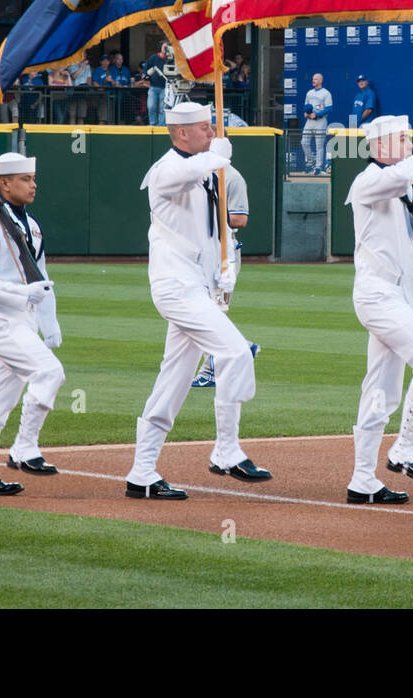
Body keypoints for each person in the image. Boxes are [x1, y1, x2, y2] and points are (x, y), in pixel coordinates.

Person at [126, 102, 271, 499]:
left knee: (172, 381)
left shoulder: (208, 171)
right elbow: (185, 172)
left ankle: (142, 472)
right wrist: (215, 156)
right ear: (182, 134)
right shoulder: (166, 170)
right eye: (205, 128)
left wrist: (224, 269)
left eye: (212, 127)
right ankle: (226, 450)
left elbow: (212, 233)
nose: (213, 133)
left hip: (199, 286)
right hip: (176, 288)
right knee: (236, 354)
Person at [344, 116, 413, 504]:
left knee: (380, 391)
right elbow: (397, 176)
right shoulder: (369, 180)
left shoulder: (405, 188)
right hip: (376, 296)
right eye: (403, 138)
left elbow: (412, 250)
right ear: (381, 144)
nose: (409, 142)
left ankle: (362, 480)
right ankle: (405, 448)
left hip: (399, 299)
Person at [0, 151, 64, 496]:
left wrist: (49, 322)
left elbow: (42, 277)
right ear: (3, 184)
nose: (33, 185)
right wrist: (24, 295)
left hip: (25, 322)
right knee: (50, 373)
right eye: (25, 180)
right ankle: (24, 448)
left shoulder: (30, 226)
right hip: (1, 323)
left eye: (33, 179)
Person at [191, 119, 260, 389]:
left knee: (215, 310)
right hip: (201, 250)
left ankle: (212, 369)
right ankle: (242, 347)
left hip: (224, 252)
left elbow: (240, 219)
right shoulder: (196, 172)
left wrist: (210, 213)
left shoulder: (231, 177)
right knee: (202, 310)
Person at [302, 72, 332, 174]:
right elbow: (306, 106)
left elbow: (329, 108)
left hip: (320, 121)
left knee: (319, 145)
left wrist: (317, 114)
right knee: (304, 142)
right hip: (309, 121)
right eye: (313, 79)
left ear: (320, 80)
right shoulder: (309, 93)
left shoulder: (326, 93)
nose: (313, 80)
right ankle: (311, 161)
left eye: (315, 79)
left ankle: (318, 166)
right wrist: (306, 113)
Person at [142, 41, 175, 127]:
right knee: (151, 106)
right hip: (153, 86)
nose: (166, 49)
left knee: (162, 108)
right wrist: (145, 75)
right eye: (164, 47)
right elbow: (145, 69)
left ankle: (161, 125)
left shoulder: (171, 59)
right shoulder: (153, 58)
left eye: (167, 48)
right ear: (161, 47)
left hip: (165, 88)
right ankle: (152, 124)